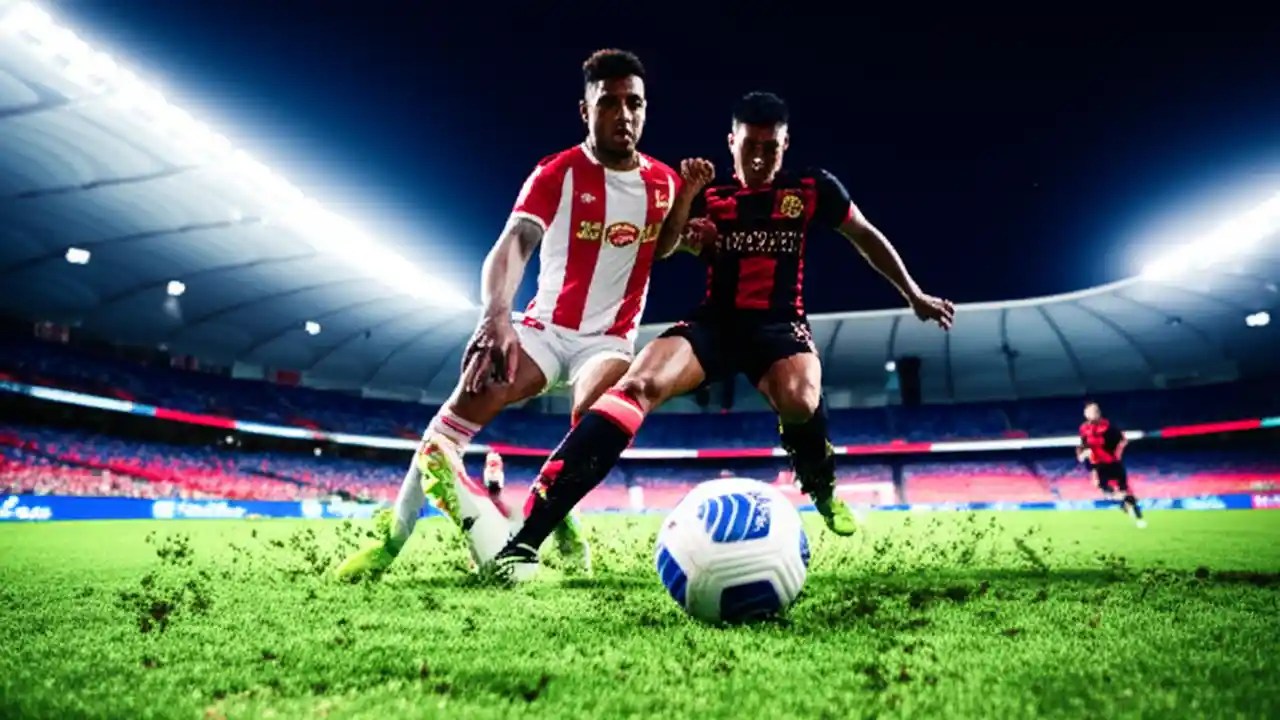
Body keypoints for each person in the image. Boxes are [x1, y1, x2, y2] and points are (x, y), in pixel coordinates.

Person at [487, 91, 955, 579]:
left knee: (800, 398)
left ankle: (820, 483)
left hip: (780, 327)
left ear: (785, 144)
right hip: (716, 324)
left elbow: (865, 235)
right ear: (730, 142)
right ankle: (528, 539)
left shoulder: (814, 189)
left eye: (769, 148)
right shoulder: (711, 197)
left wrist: (913, 294)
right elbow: (666, 246)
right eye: (748, 146)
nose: (757, 158)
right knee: (635, 384)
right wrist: (690, 223)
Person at [334, 49, 700, 581]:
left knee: (604, 415)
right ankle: (389, 544)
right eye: (610, 103)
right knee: (453, 420)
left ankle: (554, 514)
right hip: (544, 330)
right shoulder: (557, 173)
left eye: (635, 103)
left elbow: (661, 246)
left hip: (610, 340)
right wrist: (496, 317)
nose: (624, 114)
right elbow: (514, 243)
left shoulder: (664, 181)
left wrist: (691, 225)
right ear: (585, 110)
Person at [1077, 401, 1146, 528]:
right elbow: (1083, 444)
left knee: (1125, 491)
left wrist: (1118, 452)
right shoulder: (1083, 429)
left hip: (1112, 463)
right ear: (1085, 414)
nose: (1094, 413)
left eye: (1096, 410)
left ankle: (1138, 516)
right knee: (1106, 491)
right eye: (1090, 411)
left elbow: (1123, 440)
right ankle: (1123, 503)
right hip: (1098, 465)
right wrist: (1082, 454)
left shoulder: (1108, 426)